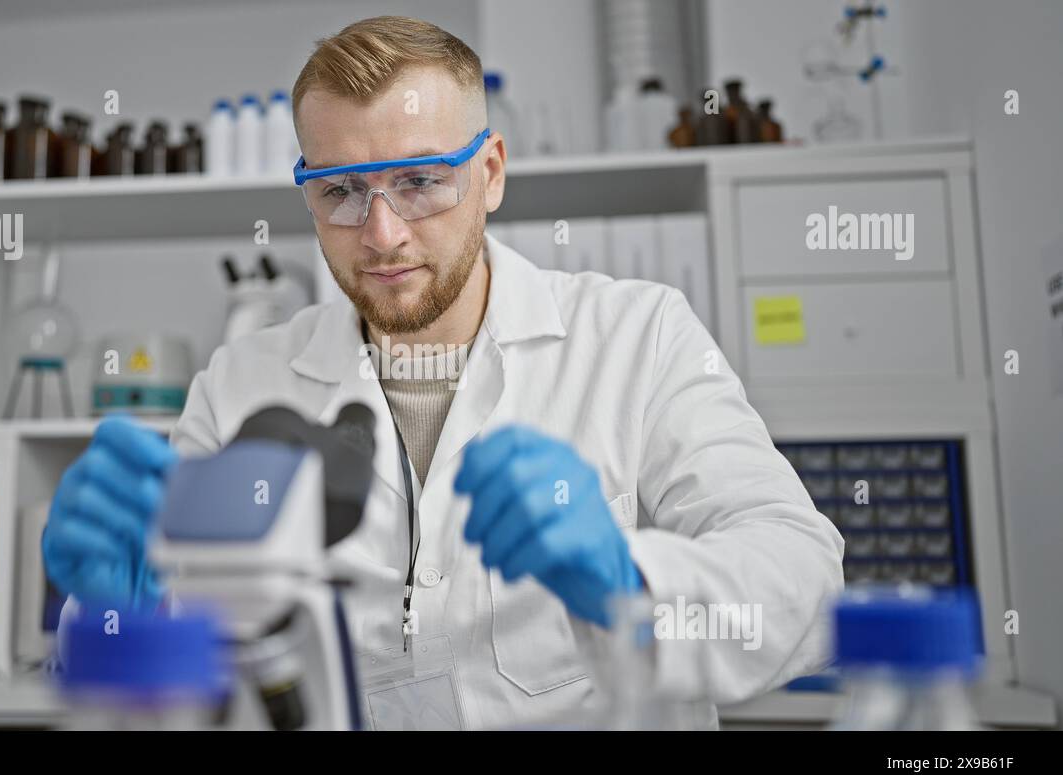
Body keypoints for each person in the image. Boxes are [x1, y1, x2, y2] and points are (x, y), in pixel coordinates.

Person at [44, 16, 844, 729]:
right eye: (341, 191)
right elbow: (168, 683)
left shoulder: (638, 337)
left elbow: (805, 582)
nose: (382, 233)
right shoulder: (243, 384)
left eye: (422, 180)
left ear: (489, 171)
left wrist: (628, 579)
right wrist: (113, 614)